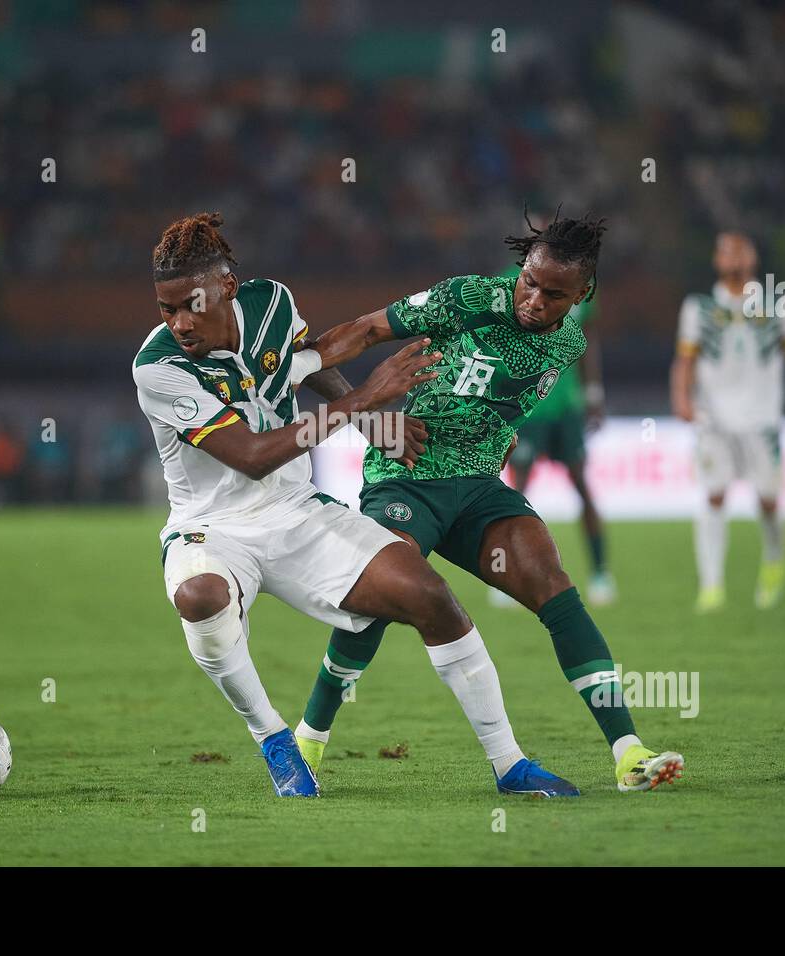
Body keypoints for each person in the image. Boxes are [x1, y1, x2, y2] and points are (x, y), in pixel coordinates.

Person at [134, 212, 580, 798]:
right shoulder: (159, 367)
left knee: (429, 596)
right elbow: (251, 455)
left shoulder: (271, 304)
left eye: (190, 303)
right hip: (210, 528)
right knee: (202, 597)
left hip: (295, 510)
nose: (179, 321)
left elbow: (310, 363)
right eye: (166, 309)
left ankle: (510, 765)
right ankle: (275, 740)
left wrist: (371, 421)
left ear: (227, 288)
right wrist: (368, 399)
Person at [292, 211, 684, 793]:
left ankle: (628, 753)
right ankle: (309, 740)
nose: (534, 300)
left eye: (555, 294)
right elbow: (368, 330)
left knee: (554, 587)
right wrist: (357, 410)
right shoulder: (468, 298)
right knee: (380, 598)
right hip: (405, 482)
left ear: (584, 295)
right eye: (529, 281)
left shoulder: (570, 342)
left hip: (477, 492)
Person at [670, 232, 785, 611]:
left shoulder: (777, 304)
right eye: (725, 250)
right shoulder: (699, 307)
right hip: (714, 421)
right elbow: (685, 361)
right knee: (713, 494)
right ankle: (711, 585)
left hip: (763, 420)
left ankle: (774, 561)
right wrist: (681, 399)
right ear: (716, 260)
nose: (733, 256)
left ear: (753, 256)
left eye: (740, 249)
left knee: (769, 500)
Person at [504, 284, 615, 606]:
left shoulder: (580, 286)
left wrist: (594, 393)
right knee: (514, 495)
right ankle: (509, 575)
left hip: (567, 405)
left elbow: (588, 341)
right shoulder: (509, 282)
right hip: (527, 408)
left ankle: (600, 572)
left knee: (582, 486)